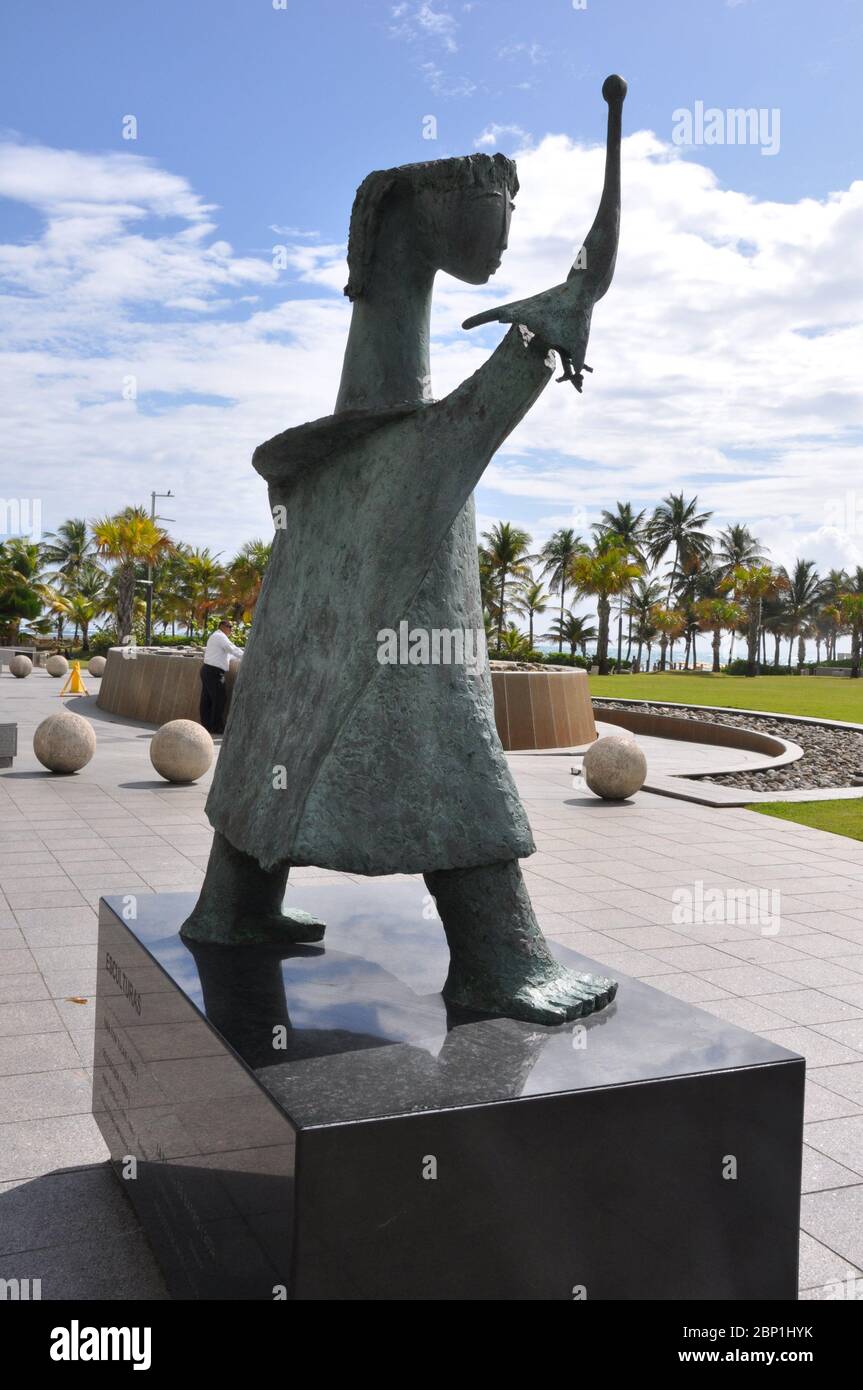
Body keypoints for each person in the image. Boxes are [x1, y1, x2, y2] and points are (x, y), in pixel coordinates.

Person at [181, 78, 626, 1026]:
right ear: (425, 216)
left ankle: (235, 904)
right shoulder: (378, 440)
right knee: (440, 720)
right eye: (490, 212)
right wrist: (533, 343)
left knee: (292, 693)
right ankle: (495, 960)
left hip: (365, 486)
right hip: (396, 548)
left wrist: (546, 324)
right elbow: (436, 435)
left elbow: (414, 428)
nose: (503, 236)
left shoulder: (362, 436)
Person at [199, 619, 243, 735]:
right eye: (229, 626)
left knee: (207, 699)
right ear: (222, 626)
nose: (231, 629)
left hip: (208, 670)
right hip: (214, 672)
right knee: (219, 699)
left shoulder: (217, 637)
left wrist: (241, 656)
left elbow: (229, 656)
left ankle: (207, 726)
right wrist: (249, 655)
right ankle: (216, 727)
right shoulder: (220, 637)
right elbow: (232, 649)